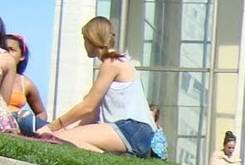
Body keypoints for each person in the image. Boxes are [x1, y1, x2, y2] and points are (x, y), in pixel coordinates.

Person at [44, 17, 159, 156]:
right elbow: (92, 115)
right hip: (137, 132)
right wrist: (65, 131)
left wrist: (52, 127)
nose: (84, 44)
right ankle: (116, 159)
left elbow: (87, 106)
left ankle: (113, 161)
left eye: (85, 39)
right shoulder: (116, 62)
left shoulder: (111, 63)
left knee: (56, 139)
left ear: (92, 38)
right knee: (61, 138)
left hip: (131, 128)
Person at [4, 34, 49, 134]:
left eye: (11, 49)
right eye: (3, 49)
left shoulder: (26, 83)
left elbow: (41, 112)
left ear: (22, 56)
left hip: (17, 122)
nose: (6, 53)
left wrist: (35, 126)